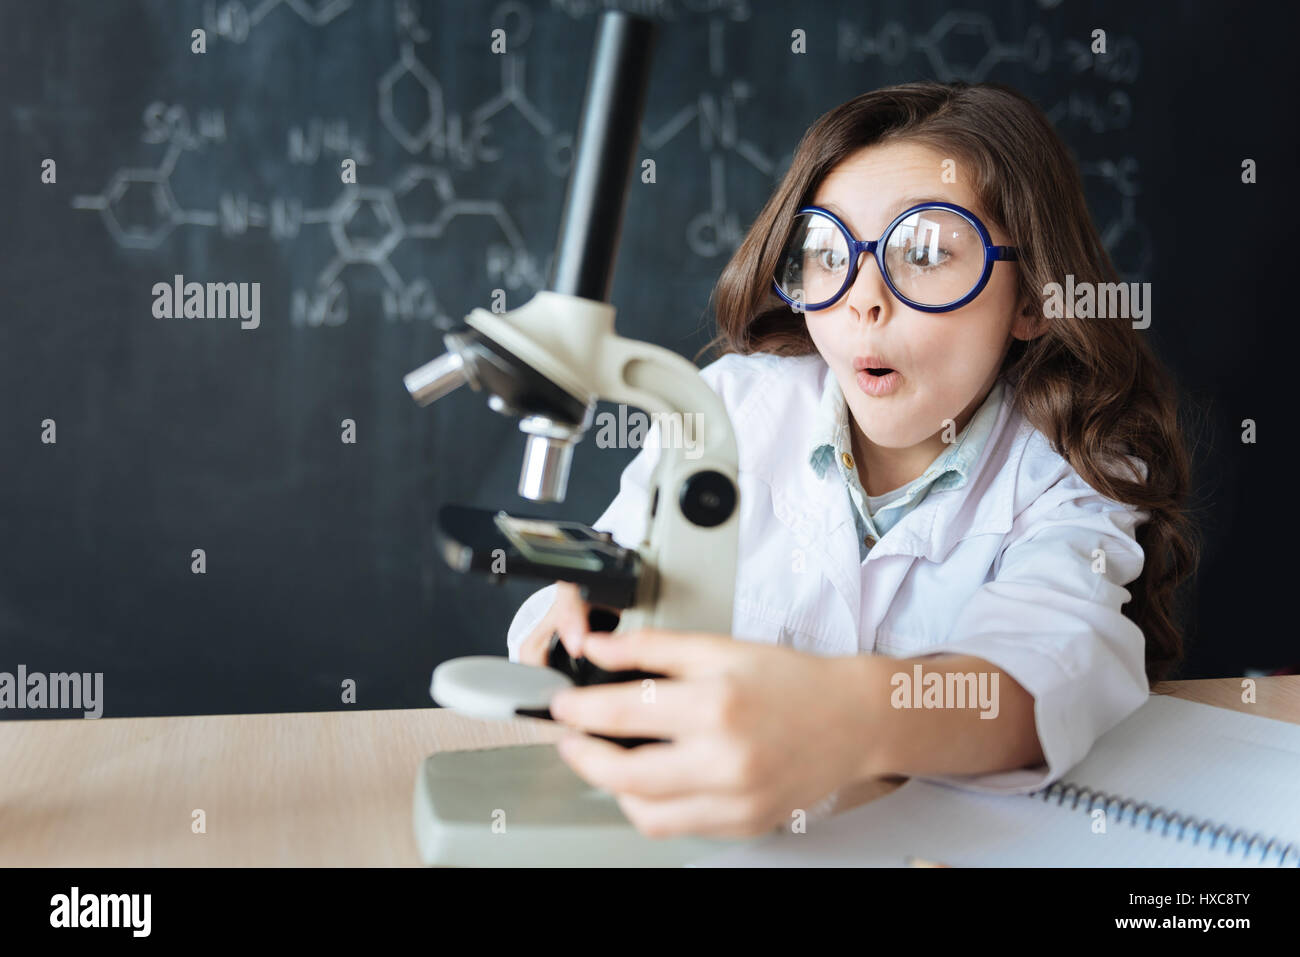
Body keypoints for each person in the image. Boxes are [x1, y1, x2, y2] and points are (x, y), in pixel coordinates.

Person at [506, 81, 1199, 840]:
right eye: (829, 253)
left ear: (1031, 297)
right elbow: (584, 591)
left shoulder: (1070, 472)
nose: (864, 300)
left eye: (927, 253)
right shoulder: (730, 410)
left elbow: (1037, 681)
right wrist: (574, 627)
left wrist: (846, 716)